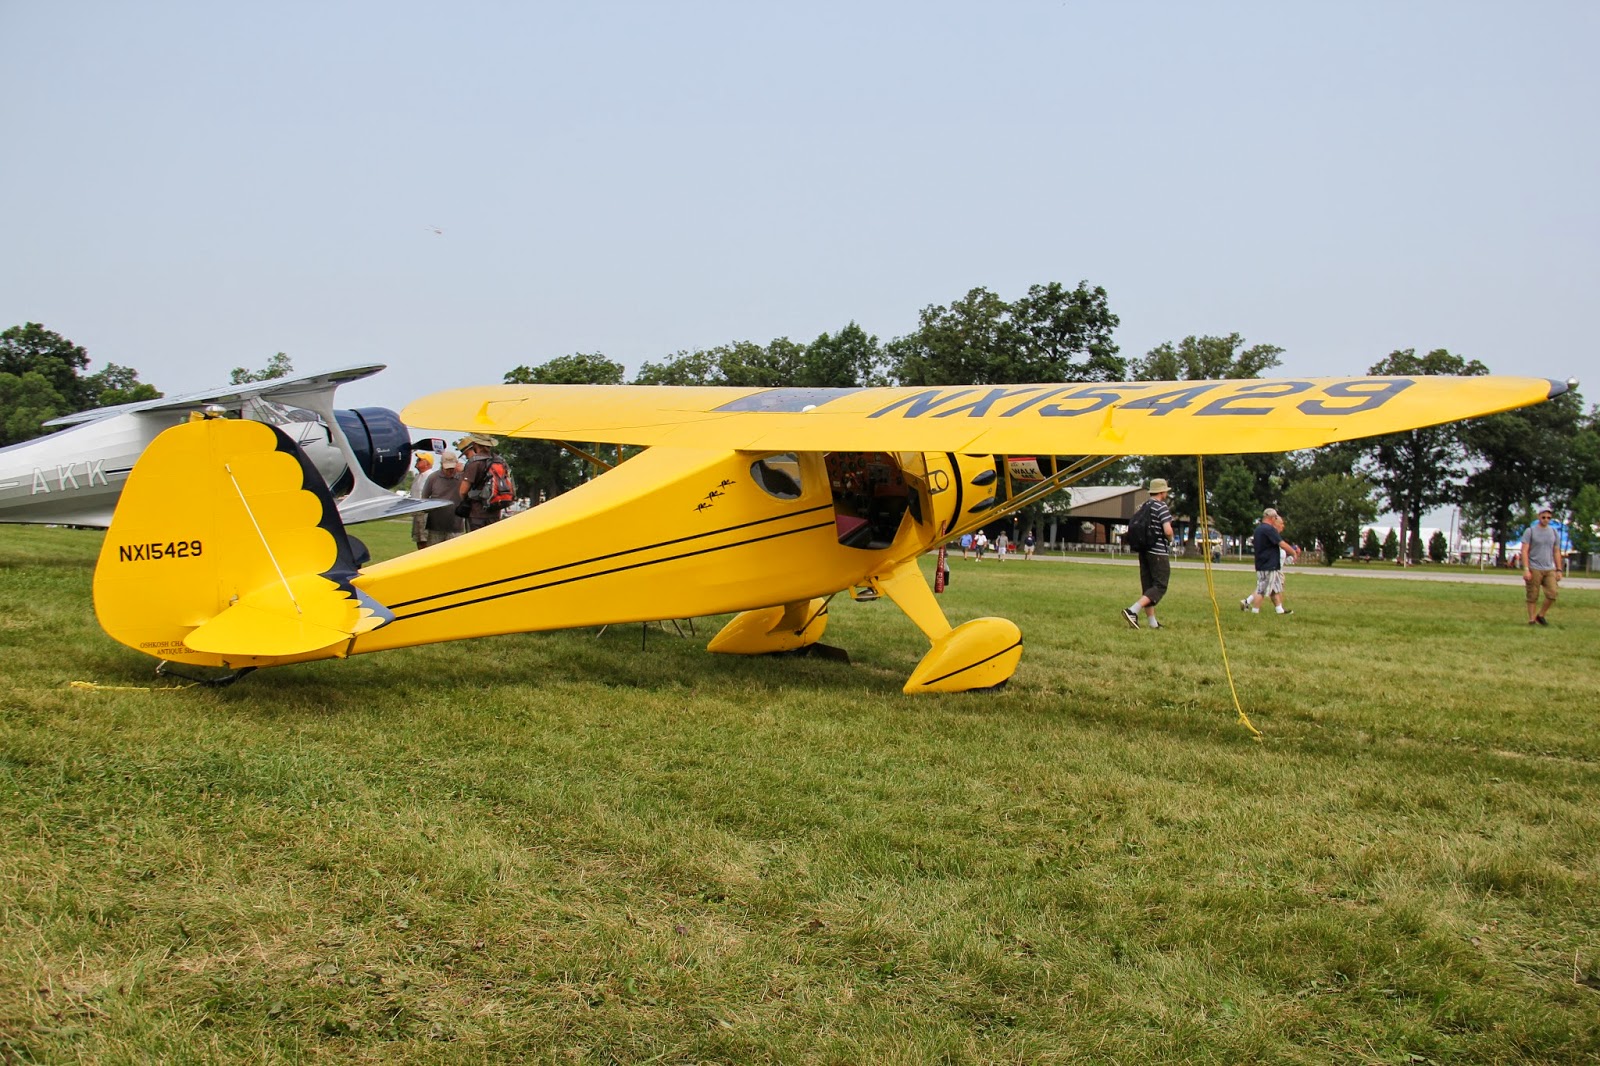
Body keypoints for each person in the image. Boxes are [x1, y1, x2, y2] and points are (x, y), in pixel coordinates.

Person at [1123, 478, 1174, 629]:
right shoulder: (1161, 507)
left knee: (1148, 587)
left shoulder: (1143, 506)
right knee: (1160, 585)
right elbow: (1168, 530)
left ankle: (1152, 623)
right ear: (1162, 492)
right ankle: (1133, 610)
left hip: (1143, 551)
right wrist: (1170, 540)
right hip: (1158, 551)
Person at [1241, 507, 1293, 616]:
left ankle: (1280, 610)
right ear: (1272, 517)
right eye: (1275, 518)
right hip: (1269, 564)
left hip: (1261, 563)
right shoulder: (1269, 529)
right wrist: (1293, 552)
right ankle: (1255, 611)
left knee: (1274, 589)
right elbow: (1281, 543)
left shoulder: (1258, 529)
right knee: (1262, 590)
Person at [456, 433, 510, 532]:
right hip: (495, 511)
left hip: (477, 514)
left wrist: (466, 502)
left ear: (475, 444)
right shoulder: (500, 461)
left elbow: (463, 491)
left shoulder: (474, 462)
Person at [1521, 505, 1565, 626]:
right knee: (1532, 595)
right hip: (1534, 567)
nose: (1546, 519)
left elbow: (1556, 551)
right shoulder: (1530, 531)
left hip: (1549, 568)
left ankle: (1540, 615)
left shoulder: (1554, 532)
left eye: (1548, 517)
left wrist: (1559, 569)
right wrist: (1526, 569)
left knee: (1553, 593)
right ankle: (1531, 620)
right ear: (1539, 516)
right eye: (1543, 517)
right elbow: (1524, 550)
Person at [417, 451, 466, 547]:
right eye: (447, 468)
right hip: (435, 526)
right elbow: (424, 498)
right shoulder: (433, 477)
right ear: (441, 465)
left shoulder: (462, 477)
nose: (450, 471)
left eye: (452, 468)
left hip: (455, 526)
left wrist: (464, 469)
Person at [408, 452, 435, 550]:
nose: (417, 461)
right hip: (417, 512)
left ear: (427, 463)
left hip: (426, 513)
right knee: (419, 540)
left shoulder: (431, 476)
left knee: (426, 540)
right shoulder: (418, 476)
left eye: (420, 460)